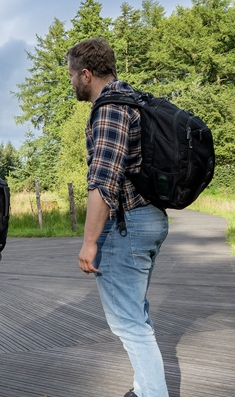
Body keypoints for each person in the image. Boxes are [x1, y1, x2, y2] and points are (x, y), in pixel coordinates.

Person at [69, 37, 169, 397]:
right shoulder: (134, 99)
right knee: (135, 313)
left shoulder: (109, 108)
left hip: (129, 224)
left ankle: (153, 393)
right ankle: (144, 388)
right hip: (150, 217)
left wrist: (89, 242)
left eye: (71, 76)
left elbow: (104, 181)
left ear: (86, 74)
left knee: (128, 323)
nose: (71, 83)